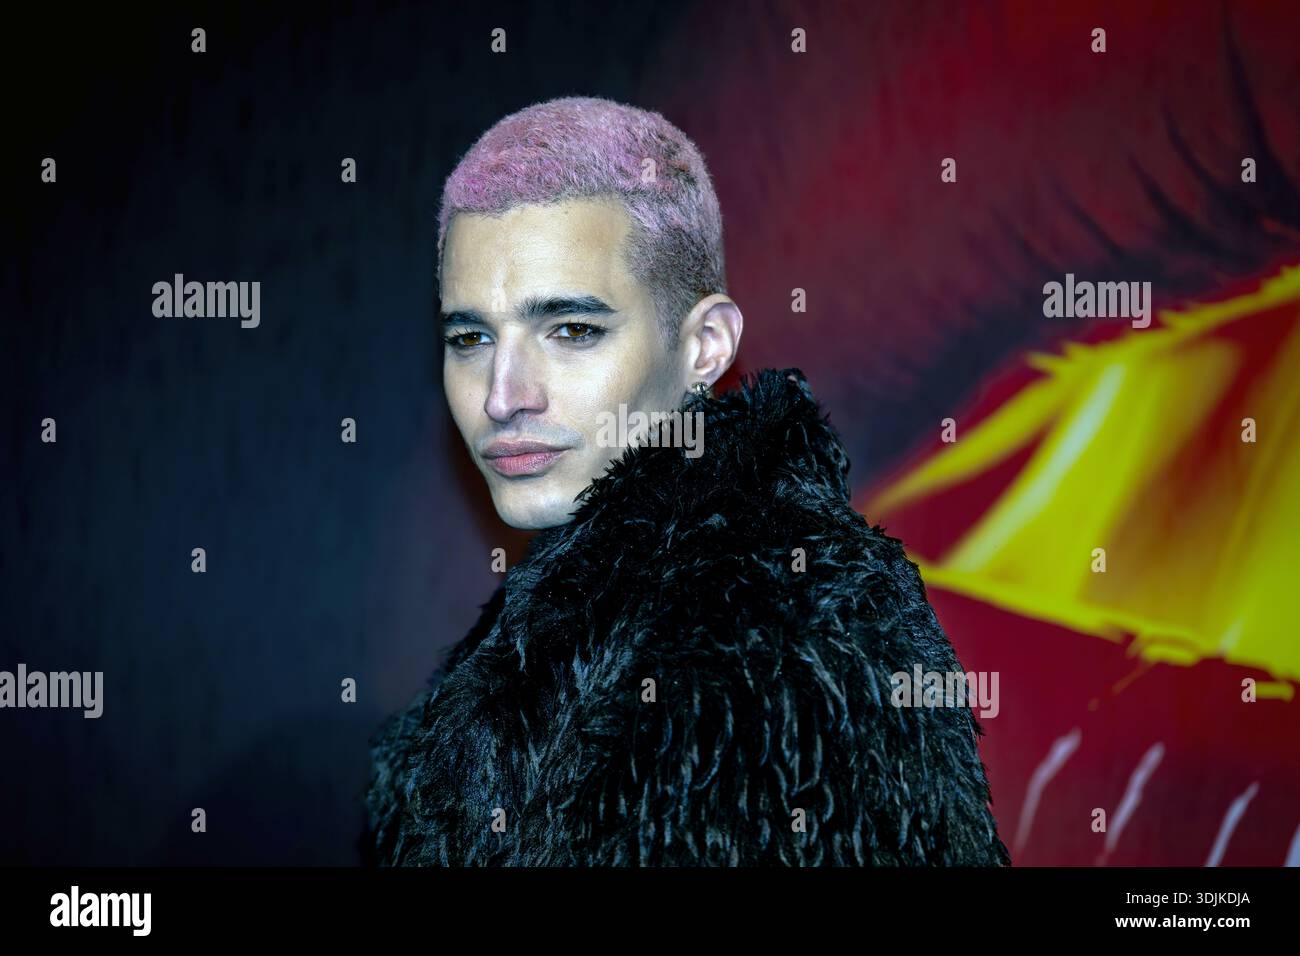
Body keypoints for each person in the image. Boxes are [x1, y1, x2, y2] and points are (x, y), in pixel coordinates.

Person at [363, 95, 1011, 866]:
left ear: (705, 346)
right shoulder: (537, 644)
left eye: (572, 330)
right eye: (470, 337)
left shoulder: (794, 629)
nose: (503, 396)